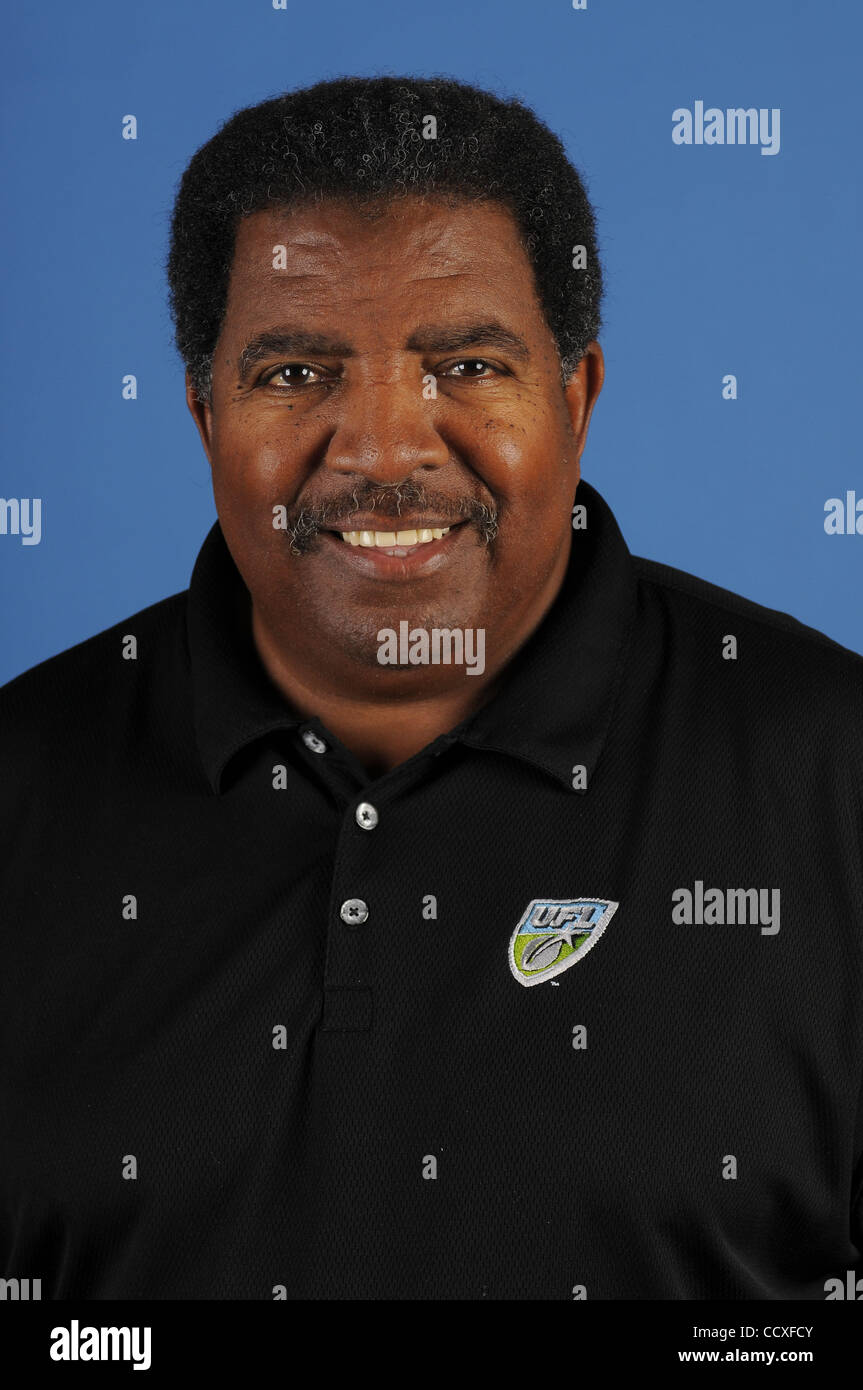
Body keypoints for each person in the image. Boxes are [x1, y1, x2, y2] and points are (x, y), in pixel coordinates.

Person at [1, 75, 861, 1301]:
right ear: (204, 417)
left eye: (462, 363)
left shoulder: (834, 779)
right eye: (296, 374)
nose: (385, 451)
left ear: (573, 397)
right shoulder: (21, 791)